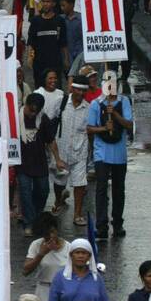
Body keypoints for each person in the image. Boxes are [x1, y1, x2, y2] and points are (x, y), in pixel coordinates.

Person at [86, 77, 133, 240]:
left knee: (119, 190)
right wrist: (104, 128)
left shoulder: (124, 101)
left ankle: (118, 224)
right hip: (102, 153)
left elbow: (129, 125)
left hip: (119, 154)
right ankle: (101, 226)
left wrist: (115, 114)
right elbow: (89, 128)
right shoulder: (96, 104)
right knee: (101, 189)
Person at [47, 239, 113, 301]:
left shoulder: (96, 278)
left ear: (89, 256)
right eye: (77, 252)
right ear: (71, 255)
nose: (80, 256)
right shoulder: (60, 277)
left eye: (84, 253)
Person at [18, 93, 61, 233]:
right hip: (22, 163)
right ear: (25, 105)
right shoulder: (15, 118)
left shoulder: (43, 119)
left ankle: (35, 217)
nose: (32, 114)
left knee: (43, 190)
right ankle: (29, 223)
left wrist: (58, 159)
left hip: (40, 162)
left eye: (35, 112)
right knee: (25, 193)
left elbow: (51, 140)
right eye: (30, 110)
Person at [56, 77, 91, 227]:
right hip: (61, 151)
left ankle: (77, 214)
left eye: (83, 90)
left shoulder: (88, 108)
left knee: (80, 184)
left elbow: (89, 130)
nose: (81, 93)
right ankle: (58, 201)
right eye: (78, 90)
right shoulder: (61, 102)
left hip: (80, 151)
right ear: (72, 89)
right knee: (59, 181)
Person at [23, 215, 69, 301]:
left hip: (65, 290)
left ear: (57, 229)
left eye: (52, 231)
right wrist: (41, 254)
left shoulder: (69, 247)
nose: (51, 236)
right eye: (47, 234)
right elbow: (25, 271)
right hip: (44, 290)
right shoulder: (36, 245)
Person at [27, 0, 69, 89]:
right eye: (44, 1)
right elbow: (31, 41)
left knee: (56, 88)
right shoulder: (35, 21)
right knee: (39, 88)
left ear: (54, 4)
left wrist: (66, 59)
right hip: (39, 62)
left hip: (55, 62)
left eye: (48, 2)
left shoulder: (60, 20)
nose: (45, 4)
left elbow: (63, 42)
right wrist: (30, 57)